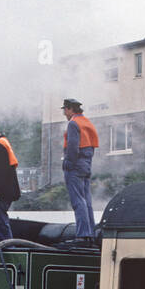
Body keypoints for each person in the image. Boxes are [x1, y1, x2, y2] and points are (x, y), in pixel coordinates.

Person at [61, 99, 98, 241]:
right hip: (86, 164)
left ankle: (82, 234)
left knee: (77, 200)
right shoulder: (87, 122)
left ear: (70, 109)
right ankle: (91, 233)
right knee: (86, 200)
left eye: (65, 109)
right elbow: (91, 147)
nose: (64, 113)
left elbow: (72, 146)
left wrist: (68, 163)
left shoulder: (73, 123)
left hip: (75, 166)